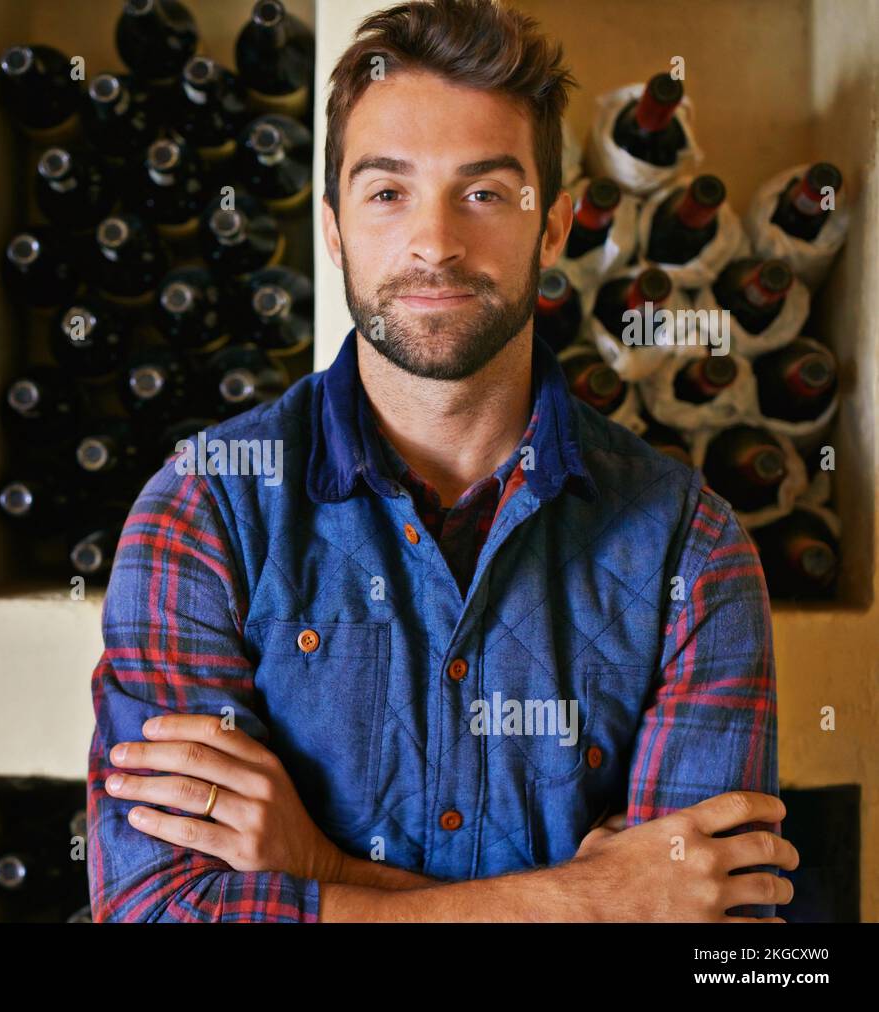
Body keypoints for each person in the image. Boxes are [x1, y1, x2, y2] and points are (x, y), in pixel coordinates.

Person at [86, 0, 794, 922]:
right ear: (332, 226)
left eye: (486, 192)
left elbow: (723, 955)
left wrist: (313, 866)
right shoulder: (206, 508)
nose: (435, 242)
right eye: (388, 192)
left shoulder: (691, 553)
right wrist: (587, 902)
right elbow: (155, 912)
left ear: (555, 228)